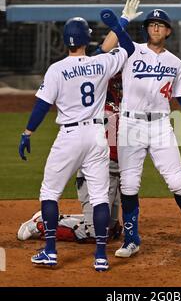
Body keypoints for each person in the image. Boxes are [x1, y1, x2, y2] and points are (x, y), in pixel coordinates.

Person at [18, 9, 135, 271]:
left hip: (69, 136)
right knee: (99, 198)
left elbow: (40, 107)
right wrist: (119, 23)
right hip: (96, 136)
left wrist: (28, 133)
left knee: (50, 192)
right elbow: (128, 48)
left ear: (64, 41)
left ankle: (50, 251)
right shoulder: (102, 63)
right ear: (86, 40)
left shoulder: (56, 69)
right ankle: (101, 256)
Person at [101, 2, 181, 258]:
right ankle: (131, 238)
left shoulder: (175, 63)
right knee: (128, 184)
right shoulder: (132, 50)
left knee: (177, 180)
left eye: (160, 25)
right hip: (130, 124)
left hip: (160, 124)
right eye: (151, 24)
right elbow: (106, 47)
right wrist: (121, 20)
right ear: (146, 29)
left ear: (168, 31)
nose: (155, 28)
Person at [17, 74, 123, 243]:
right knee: (95, 233)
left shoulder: (123, 97)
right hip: (97, 166)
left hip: (117, 169)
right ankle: (39, 226)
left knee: (111, 229)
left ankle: (58, 218)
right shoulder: (95, 96)